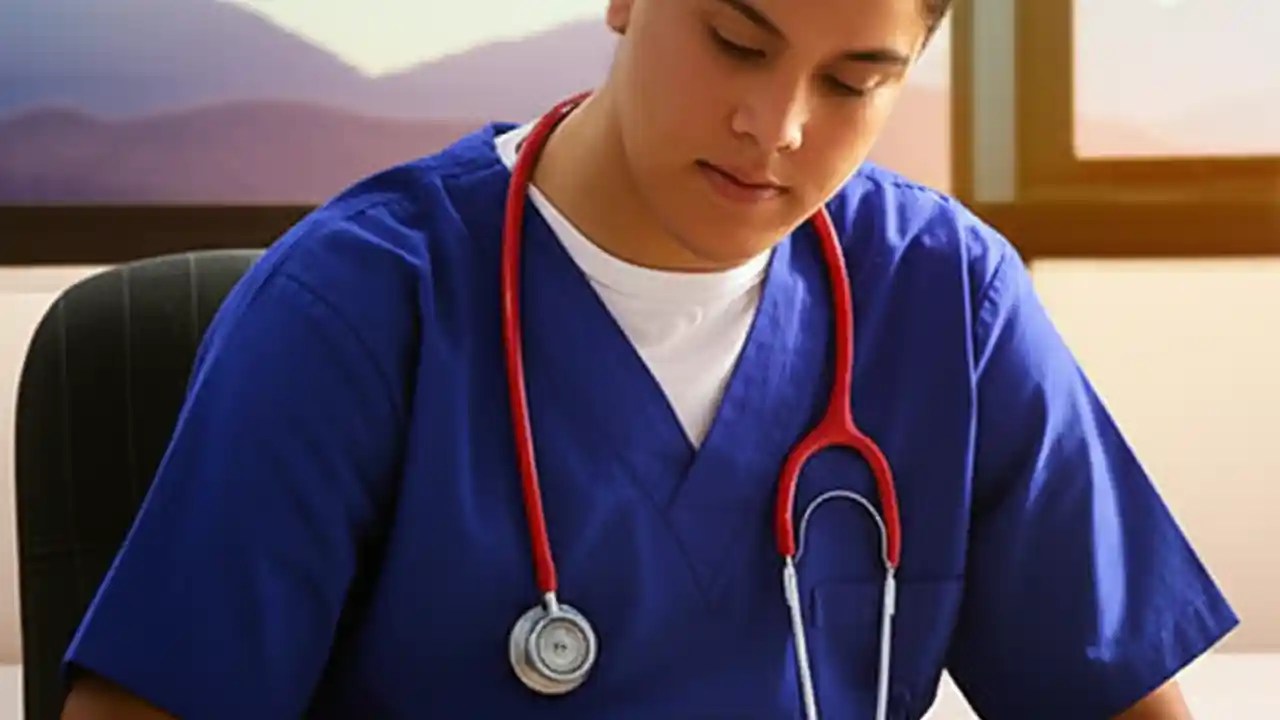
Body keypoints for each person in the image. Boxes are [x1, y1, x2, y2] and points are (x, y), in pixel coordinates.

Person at [61, 0, 1238, 718]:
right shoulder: (358, 308)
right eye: (735, 42)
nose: (775, 127)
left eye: (850, 82)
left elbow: (1111, 698)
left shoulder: (947, 302)